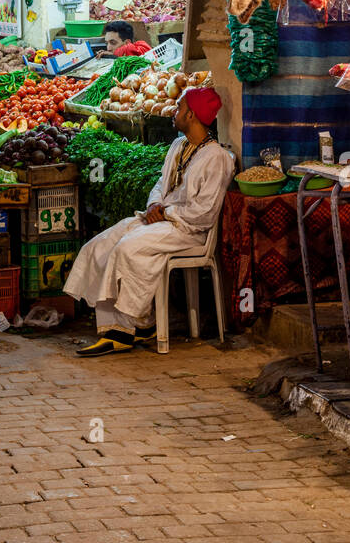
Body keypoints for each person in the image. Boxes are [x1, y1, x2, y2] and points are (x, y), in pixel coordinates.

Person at [65, 86, 234, 356]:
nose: (174, 113)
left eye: (178, 108)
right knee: (102, 244)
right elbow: (160, 185)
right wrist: (155, 205)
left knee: (128, 248)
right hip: (162, 220)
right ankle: (134, 325)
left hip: (188, 231)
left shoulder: (217, 158)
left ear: (191, 115)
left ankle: (125, 329)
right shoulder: (179, 146)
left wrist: (167, 213)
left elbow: (204, 213)